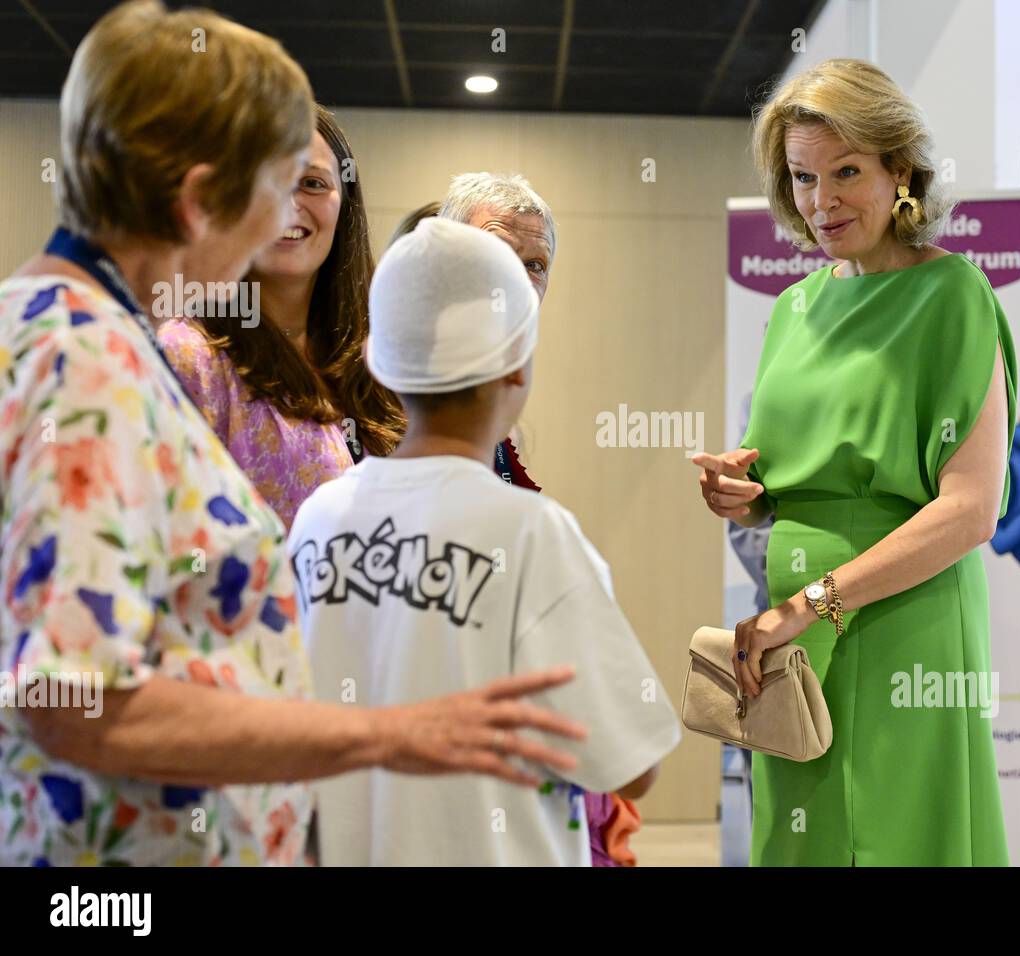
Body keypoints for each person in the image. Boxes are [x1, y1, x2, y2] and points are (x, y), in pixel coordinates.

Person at [0, 0, 583, 867]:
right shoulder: (84, 359)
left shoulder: (88, 336)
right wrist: (381, 735)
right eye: (275, 186)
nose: (289, 218)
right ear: (201, 198)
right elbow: (69, 694)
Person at [692, 58, 1017, 866]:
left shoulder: (954, 294)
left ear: (898, 168)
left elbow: (973, 510)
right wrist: (743, 493)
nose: (822, 201)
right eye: (803, 178)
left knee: (903, 829)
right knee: (801, 832)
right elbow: (784, 484)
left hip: (905, 617)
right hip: (791, 630)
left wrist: (813, 602)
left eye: (846, 172)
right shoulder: (795, 308)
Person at [290, 217, 681, 865]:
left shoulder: (319, 517)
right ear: (517, 367)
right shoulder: (531, 532)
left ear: (378, 366)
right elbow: (632, 767)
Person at [159, 105, 403, 529]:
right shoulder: (189, 358)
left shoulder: (380, 354)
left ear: (344, 206)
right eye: (269, 182)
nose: (288, 206)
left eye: (311, 183)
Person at [391, 172, 555, 492]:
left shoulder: (501, 419)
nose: (516, 280)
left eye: (534, 265)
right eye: (495, 253)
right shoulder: (383, 401)